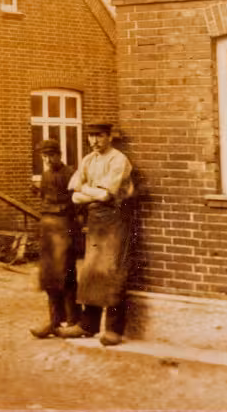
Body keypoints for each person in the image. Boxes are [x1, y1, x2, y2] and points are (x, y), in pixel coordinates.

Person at [59, 123, 135, 346]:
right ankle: (87, 325)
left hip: (115, 220)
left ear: (109, 137)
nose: (94, 141)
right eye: (91, 137)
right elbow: (74, 194)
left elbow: (106, 196)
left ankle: (114, 329)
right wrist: (92, 193)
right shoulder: (88, 159)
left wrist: (87, 192)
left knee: (112, 271)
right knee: (91, 270)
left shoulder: (118, 160)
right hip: (95, 221)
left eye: (99, 136)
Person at [29, 139, 79, 338]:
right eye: (44, 156)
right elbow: (45, 199)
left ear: (59, 154)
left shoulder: (71, 175)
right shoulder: (46, 175)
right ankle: (54, 321)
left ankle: (73, 321)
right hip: (49, 228)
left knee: (66, 275)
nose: (48, 159)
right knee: (49, 277)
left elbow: (77, 204)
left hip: (65, 228)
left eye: (51, 155)